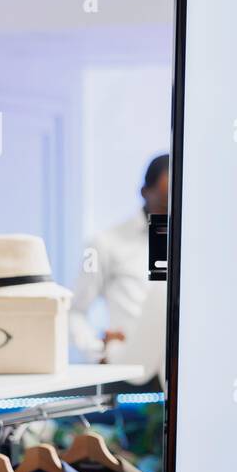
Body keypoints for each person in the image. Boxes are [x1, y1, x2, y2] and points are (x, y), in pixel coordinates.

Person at [70, 154, 169, 360]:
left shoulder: (196, 248)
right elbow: (74, 312)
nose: (170, 213)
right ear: (144, 192)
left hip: (182, 374)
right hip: (129, 376)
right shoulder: (106, 243)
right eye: (164, 203)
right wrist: (97, 348)